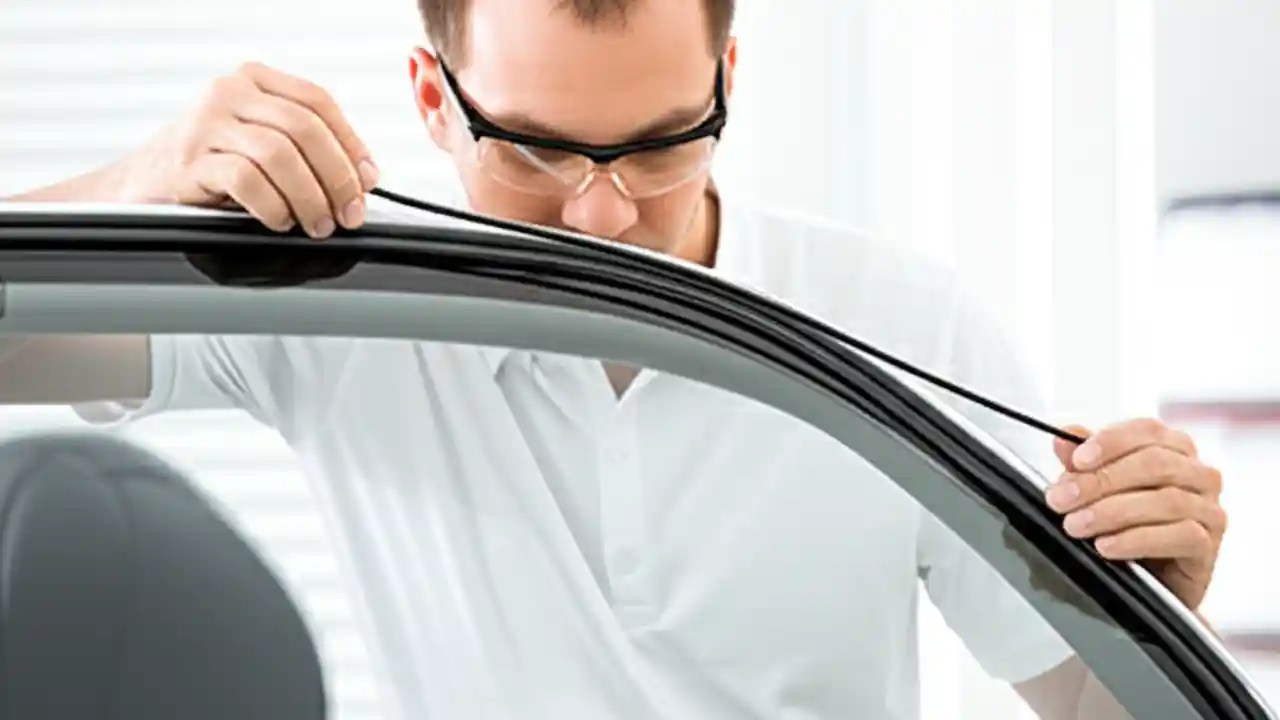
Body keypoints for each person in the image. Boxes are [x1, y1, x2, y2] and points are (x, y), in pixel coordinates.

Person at [3, 0, 1228, 718]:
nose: (601, 217)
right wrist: (137, 190)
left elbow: (1081, 699)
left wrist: (1157, 610)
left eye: (657, 148)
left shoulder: (903, 322)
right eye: (531, 153)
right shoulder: (339, 292)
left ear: (726, 84)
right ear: (432, 101)